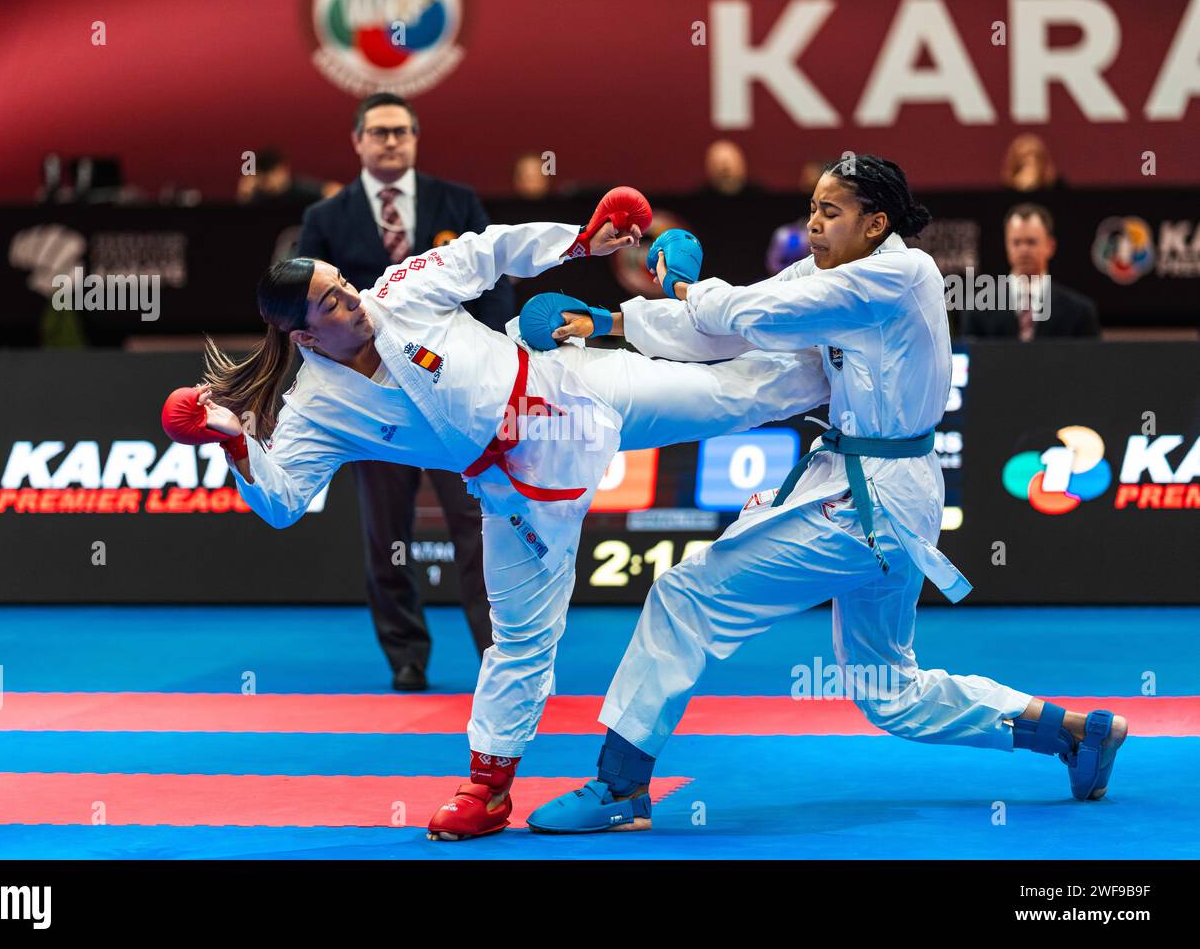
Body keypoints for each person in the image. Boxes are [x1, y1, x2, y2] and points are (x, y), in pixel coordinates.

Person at [161, 190, 831, 841]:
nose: (353, 298)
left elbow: (489, 250)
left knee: (726, 396)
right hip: (518, 491)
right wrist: (235, 442)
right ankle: (487, 788)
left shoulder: (398, 291)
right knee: (521, 642)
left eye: (344, 282)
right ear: (304, 332)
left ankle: (833, 320)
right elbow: (282, 503)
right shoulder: (315, 408)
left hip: (567, 385)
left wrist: (580, 239)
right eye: (332, 301)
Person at [527, 156, 1127, 836]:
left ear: (875, 223)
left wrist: (689, 284)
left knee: (687, 595)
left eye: (831, 211)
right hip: (868, 489)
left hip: (873, 500)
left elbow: (752, 310)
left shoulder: (900, 275)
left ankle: (620, 785)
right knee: (888, 689)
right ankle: (1077, 736)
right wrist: (609, 321)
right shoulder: (830, 274)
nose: (814, 222)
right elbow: (727, 328)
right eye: (812, 207)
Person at [297, 93, 514, 691]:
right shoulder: (326, 220)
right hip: (372, 398)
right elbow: (303, 308)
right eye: (379, 132)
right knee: (386, 534)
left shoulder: (457, 202)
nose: (390, 141)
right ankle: (406, 657)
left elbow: (493, 284)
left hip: (455, 393)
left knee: (477, 527)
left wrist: (494, 355)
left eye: (401, 132)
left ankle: (496, 650)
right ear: (358, 143)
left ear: (416, 139)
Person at [960, 203, 1099, 340]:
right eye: (1016, 242)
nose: (1024, 250)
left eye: (1031, 242)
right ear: (1006, 245)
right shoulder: (977, 308)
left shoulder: (1079, 312)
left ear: (1050, 246)